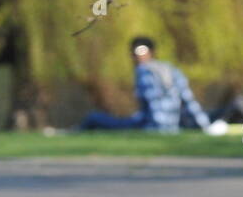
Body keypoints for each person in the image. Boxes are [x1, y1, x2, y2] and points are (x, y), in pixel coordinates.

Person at [79, 36, 230, 134]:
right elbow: (189, 100)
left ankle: (73, 133)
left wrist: (153, 128)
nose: (137, 57)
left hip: (150, 126)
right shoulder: (171, 69)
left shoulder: (144, 71)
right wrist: (204, 126)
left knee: (94, 118)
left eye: (140, 52)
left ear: (151, 52)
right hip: (171, 126)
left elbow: (154, 105)